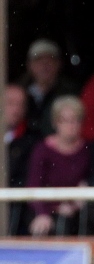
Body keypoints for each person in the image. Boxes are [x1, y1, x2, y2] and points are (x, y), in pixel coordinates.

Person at [26, 94, 91, 236]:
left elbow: (89, 181)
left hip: (77, 214)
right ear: (55, 123)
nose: (71, 126)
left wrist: (76, 202)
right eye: (65, 120)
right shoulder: (42, 150)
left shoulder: (86, 149)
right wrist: (46, 211)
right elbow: (33, 186)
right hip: (45, 212)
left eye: (75, 120)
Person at [20, 38, 79, 138]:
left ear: (59, 63)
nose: (45, 65)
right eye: (38, 60)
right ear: (29, 65)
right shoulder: (19, 91)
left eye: (50, 59)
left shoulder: (71, 92)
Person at [4, 83, 40, 235]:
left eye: (20, 104)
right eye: (10, 103)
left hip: (18, 213)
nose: (16, 109)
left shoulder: (32, 140)